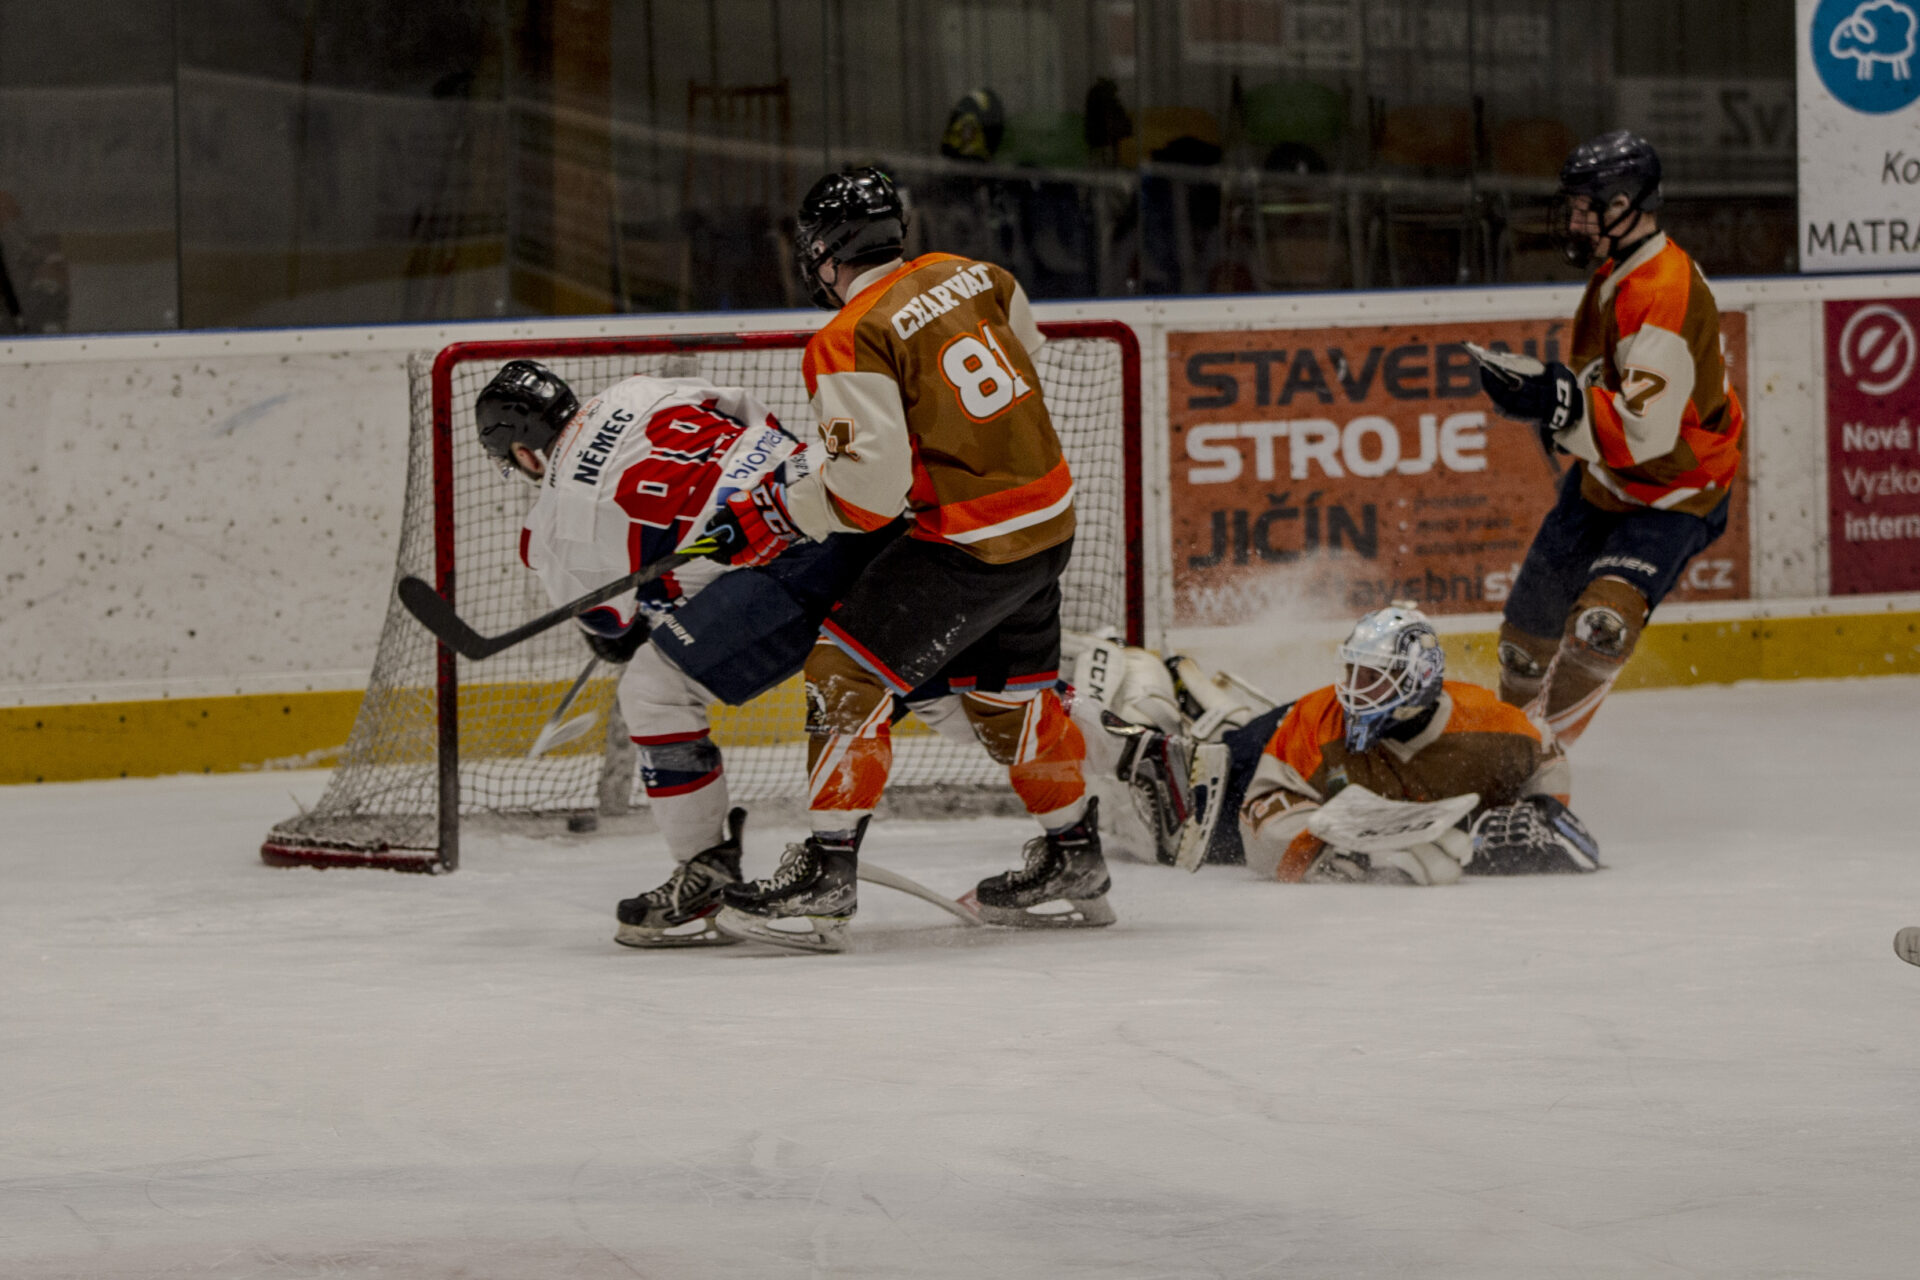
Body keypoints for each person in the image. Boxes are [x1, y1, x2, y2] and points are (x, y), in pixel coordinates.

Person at [703, 166, 1108, 952]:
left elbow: (871, 496)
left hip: (971, 541)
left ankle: (826, 871)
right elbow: (1021, 351)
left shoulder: (847, 335)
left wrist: (785, 507)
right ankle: (1075, 856)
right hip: (1047, 525)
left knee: (842, 671)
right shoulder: (978, 273)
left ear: (825, 250)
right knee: (1009, 702)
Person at [477, 356, 936, 948]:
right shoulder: (641, 389)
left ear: (523, 454)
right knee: (947, 679)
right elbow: (755, 417)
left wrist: (642, 619)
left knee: (651, 685)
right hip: (851, 501)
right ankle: (1073, 812)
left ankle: (706, 875)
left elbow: (613, 630)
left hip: (789, 568)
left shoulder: (551, 526)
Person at [1473, 131, 1743, 747]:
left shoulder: (1664, 290)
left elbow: (1646, 434)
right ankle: (1507, 745)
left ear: (1624, 205)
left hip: (1675, 490)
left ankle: (1539, 759)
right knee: (1522, 643)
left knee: (1602, 627)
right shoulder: (1615, 275)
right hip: (1606, 483)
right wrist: (1548, 391)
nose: (1573, 218)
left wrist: (1555, 400)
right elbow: (1605, 388)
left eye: (1585, 206)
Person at [1089, 605, 1598, 883]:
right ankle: (1144, 682)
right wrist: (1359, 846)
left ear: (1419, 680)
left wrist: (1542, 809)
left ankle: (1200, 697)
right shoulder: (1321, 719)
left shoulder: (1488, 723)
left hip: (1312, 764)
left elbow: (1548, 757)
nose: (1355, 692)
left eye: (1373, 679)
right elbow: (1258, 831)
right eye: (1352, 672)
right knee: (1173, 821)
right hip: (1266, 755)